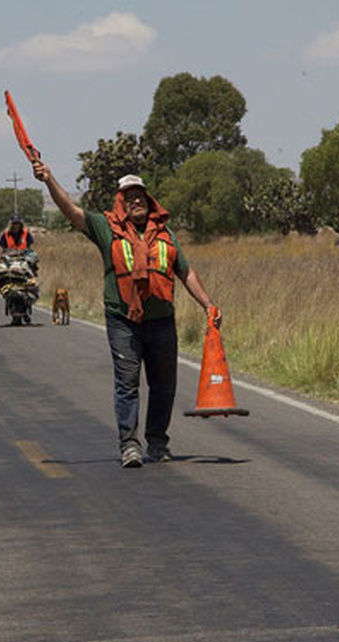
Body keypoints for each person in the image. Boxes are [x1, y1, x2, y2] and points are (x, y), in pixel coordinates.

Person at [33, 159, 220, 468]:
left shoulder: (166, 234)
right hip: (124, 320)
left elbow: (185, 272)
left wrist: (208, 304)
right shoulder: (107, 228)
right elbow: (71, 211)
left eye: (140, 196)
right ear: (121, 202)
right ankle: (130, 444)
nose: (135, 201)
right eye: (129, 197)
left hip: (161, 320)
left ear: (148, 200)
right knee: (127, 382)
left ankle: (157, 442)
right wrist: (49, 179)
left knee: (164, 383)